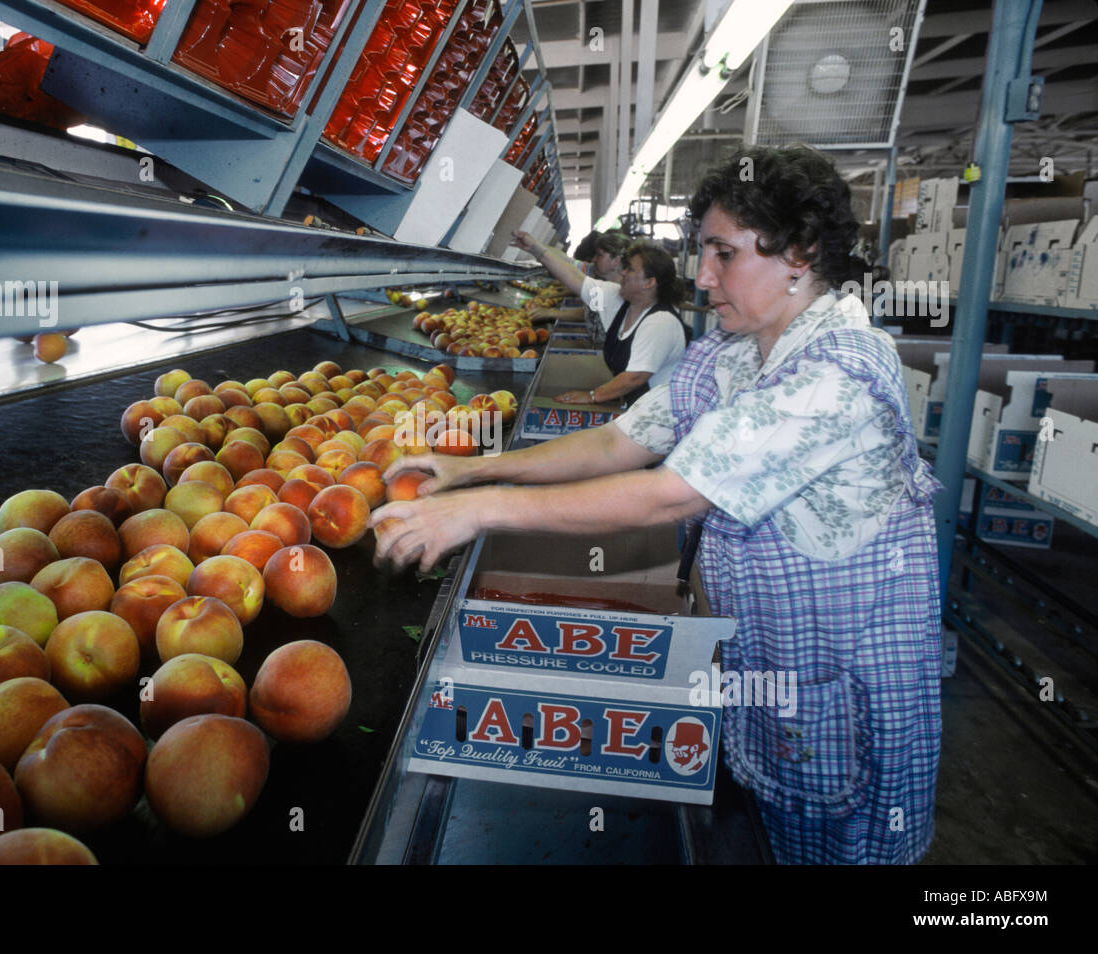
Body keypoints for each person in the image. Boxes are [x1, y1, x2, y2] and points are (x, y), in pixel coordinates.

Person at [369, 144, 944, 865]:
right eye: (701, 253)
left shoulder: (839, 375)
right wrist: (479, 471)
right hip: (767, 671)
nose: (702, 279)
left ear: (799, 253)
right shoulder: (735, 354)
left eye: (723, 254)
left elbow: (669, 493)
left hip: (841, 693)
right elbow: (622, 443)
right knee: (770, 833)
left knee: (839, 850)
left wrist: (482, 512)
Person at [516, 232, 688, 406]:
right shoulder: (618, 299)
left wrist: (592, 396)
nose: (624, 273)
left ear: (649, 282)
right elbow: (576, 279)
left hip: (661, 415)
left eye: (631, 269)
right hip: (636, 406)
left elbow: (636, 377)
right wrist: (535, 249)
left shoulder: (661, 322)